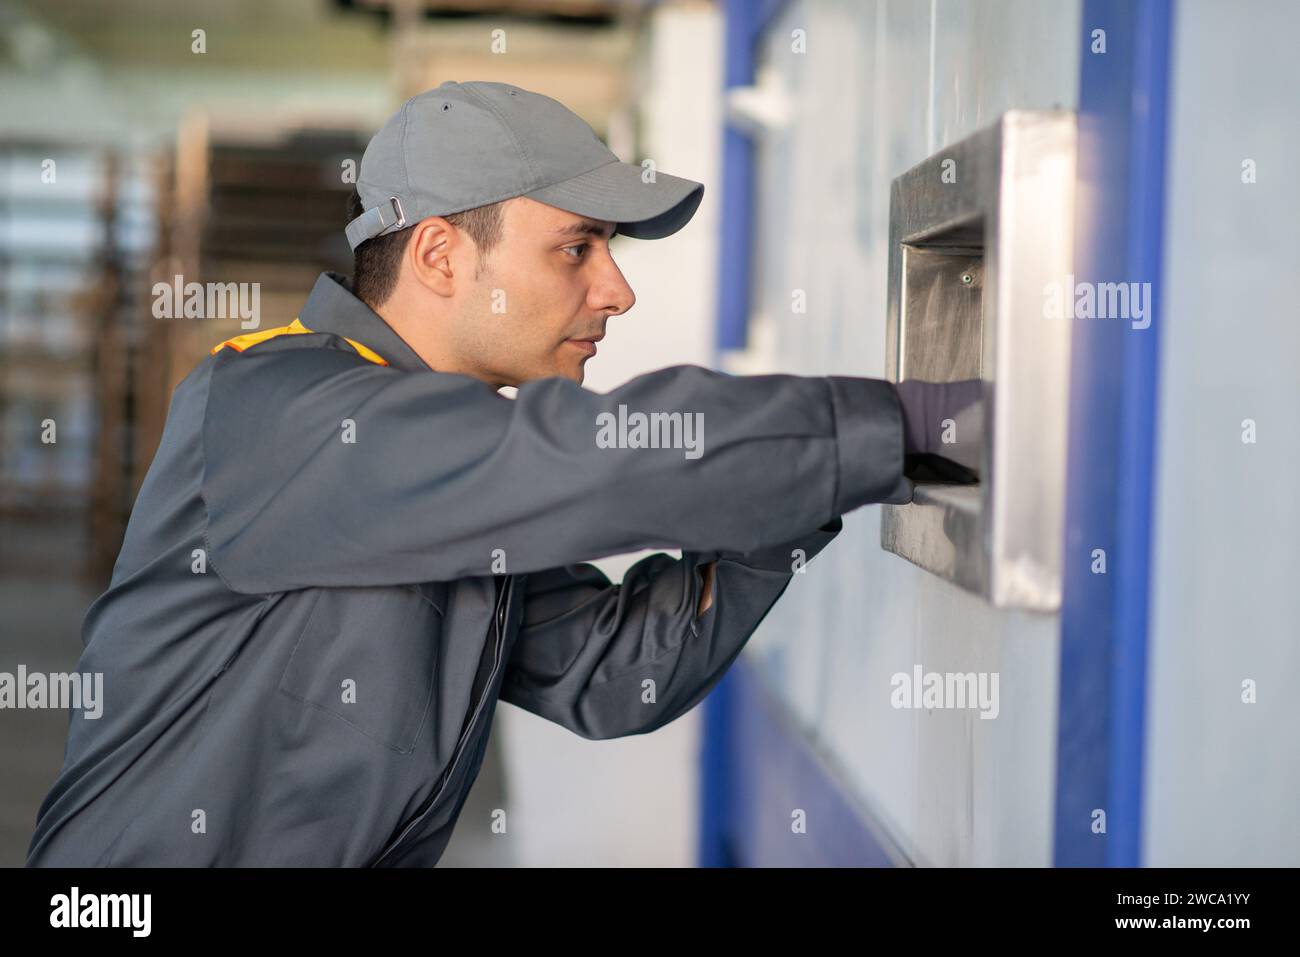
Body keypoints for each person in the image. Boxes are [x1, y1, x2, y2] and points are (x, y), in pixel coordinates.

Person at [27, 81, 979, 866]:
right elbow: (589, 461)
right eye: (577, 246)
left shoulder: (447, 471)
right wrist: (901, 426)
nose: (617, 288)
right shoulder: (282, 410)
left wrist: (801, 493)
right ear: (442, 254)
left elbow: (614, 674)